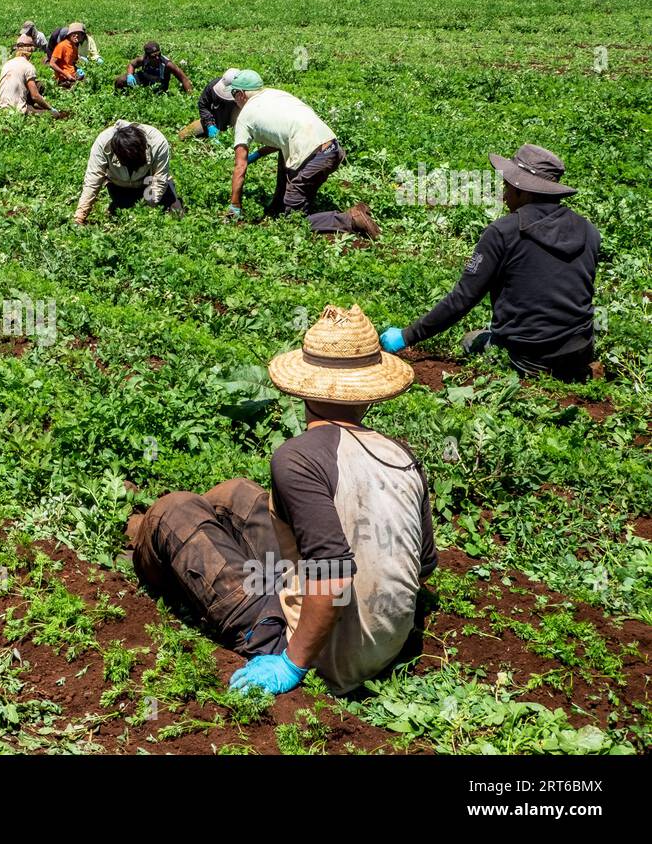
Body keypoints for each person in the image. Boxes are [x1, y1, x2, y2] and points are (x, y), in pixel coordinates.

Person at [126, 304, 437, 698]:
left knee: (173, 510)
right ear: (368, 393)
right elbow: (422, 564)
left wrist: (293, 661)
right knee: (240, 493)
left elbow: (335, 575)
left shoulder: (298, 457)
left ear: (304, 386)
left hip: (316, 651)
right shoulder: (401, 453)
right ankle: (170, 532)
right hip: (387, 649)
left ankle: (155, 542)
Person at [380, 144, 599, 383]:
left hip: (528, 357)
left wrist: (406, 335)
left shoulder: (503, 232)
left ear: (523, 191)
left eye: (507, 187)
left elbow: (463, 299)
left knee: (470, 341)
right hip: (579, 352)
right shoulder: (589, 232)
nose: (504, 196)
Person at [229, 69, 378, 238]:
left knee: (294, 219)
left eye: (233, 95)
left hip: (314, 158)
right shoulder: (277, 95)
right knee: (286, 156)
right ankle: (279, 204)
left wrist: (235, 205)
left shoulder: (244, 117)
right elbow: (282, 138)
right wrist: (258, 154)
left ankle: (349, 219)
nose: (234, 101)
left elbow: (240, 166)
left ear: (241, 94)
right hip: (332, 148)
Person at [74, 121, 183, 224]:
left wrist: (146, 211)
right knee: (120, 214)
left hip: (148, 185)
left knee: (178, 215)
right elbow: (92, 181)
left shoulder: (157, 142)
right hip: (120, 186)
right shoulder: (103, 143)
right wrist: (80, 217)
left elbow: (159, 180)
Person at [0, 35, 53, 115]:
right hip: (16, 110)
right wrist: (50, 108)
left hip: (2, 106)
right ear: (30, 50)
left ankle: (28, 104)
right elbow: (35, 96)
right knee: (53, 114)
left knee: (39, 85)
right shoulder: (28, 66)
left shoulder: (7, 64)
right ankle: (27, 107)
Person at [180, 68, 239, 140]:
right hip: (214, 120)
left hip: (235, 125)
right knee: (182, 135)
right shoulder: (213, 86)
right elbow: (203, 105)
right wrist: (210, 125)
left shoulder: (247, 93)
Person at [117, 42, 192, 94]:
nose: (157, 58)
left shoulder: (167, 64)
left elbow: (184, 79)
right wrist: (130, 74)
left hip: (158, 85)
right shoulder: (143, 59)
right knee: (121, 80)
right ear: (147, 56)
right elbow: (132, 64)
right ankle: (121, 97)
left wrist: (190, 96)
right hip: (144, 79)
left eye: (159, 54)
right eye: (153, 56)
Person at [48, 22, 86, 87]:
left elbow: (72, 63)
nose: (77, 37)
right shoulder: (62, 46)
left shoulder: (74, 47)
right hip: (64, 79)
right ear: (70, 35)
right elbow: (52, 63)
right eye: (74, 35)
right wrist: (65, 74)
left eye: (79, 35)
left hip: (73, 76)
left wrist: (78, 69)